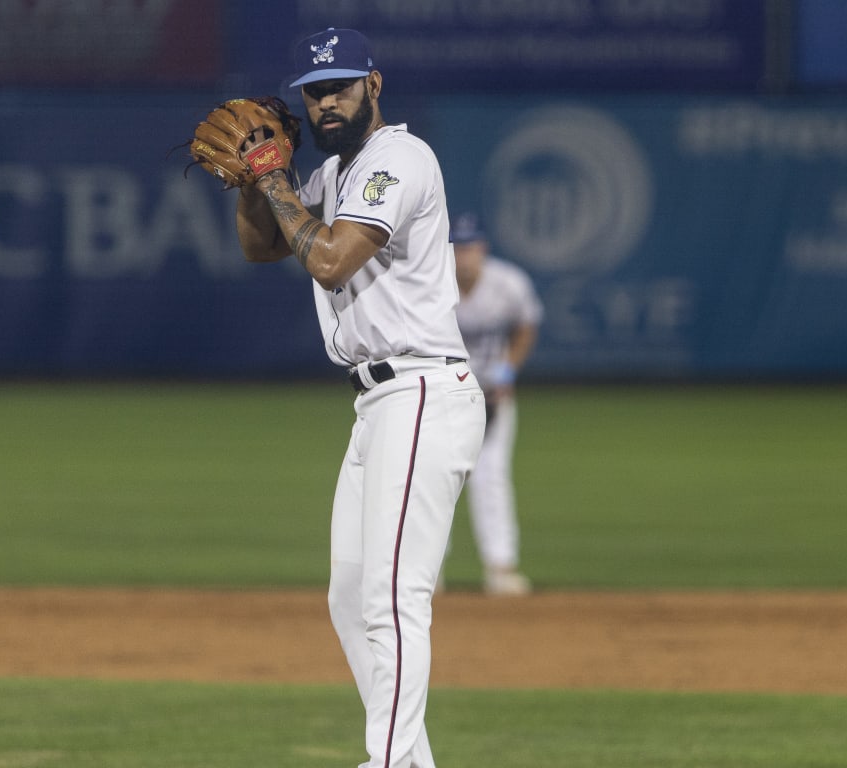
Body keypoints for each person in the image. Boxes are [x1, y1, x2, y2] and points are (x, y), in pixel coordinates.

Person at [234, 27, 484, 768]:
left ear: (373, 84)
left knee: (393, 599)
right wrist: (253, 182)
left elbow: (332, 259)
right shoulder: (336, 175)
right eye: (315, 91)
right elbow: (262, 244)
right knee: (350, 597)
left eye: (340, 85)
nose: (327, 101)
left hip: (423, 392)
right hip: (378, 406)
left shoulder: (397, 159)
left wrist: (276, 179)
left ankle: (386, 763)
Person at [449, 212, 543, 596]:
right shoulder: (429, 283)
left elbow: (526, 325)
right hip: (445, 399)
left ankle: (500, 567)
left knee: (491, 478)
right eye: (457, 247)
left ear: (483, 249)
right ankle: (425, 574)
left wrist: (507, 374)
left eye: (470, 247)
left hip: (491, 395)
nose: (464, 256)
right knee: (435, 484)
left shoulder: (509, 283)